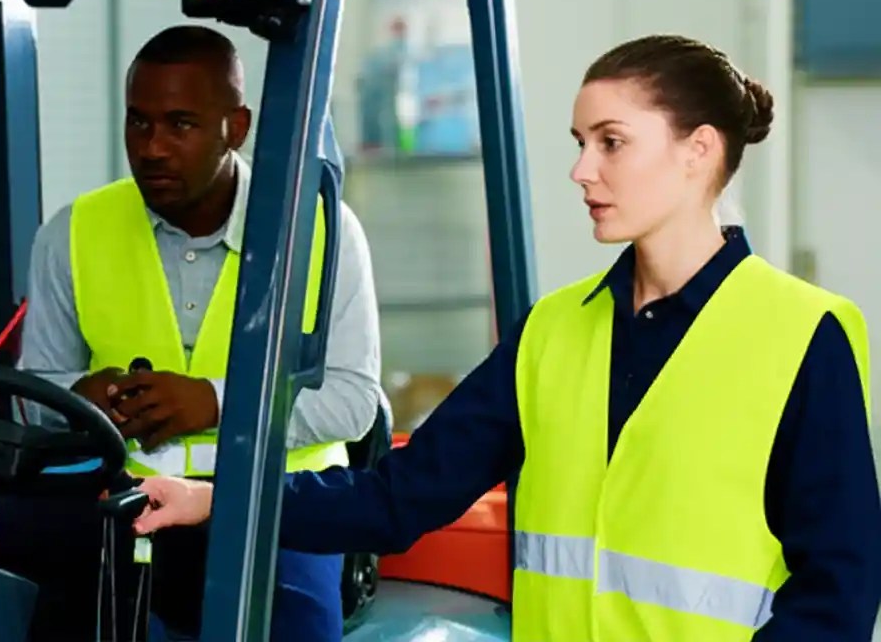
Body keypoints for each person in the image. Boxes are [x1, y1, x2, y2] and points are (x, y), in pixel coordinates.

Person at [133, 34, 881, 642]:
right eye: (580, 141)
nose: (581, 169)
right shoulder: (554, 331)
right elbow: (400, 497)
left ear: (699, 152)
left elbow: (838, 595)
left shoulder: (800, 335)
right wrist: (215, 499)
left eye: (611, 142)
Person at [3, 25, 385, 642]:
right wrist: (80, 397)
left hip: (279, 507)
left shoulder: (319, 230)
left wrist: (212, 402)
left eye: (179, 125)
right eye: (138, 123)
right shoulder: (72, 232)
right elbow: (35, 390)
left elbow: (353, 401)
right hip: (124, 502)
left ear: (236, 128)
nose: (151, 148)